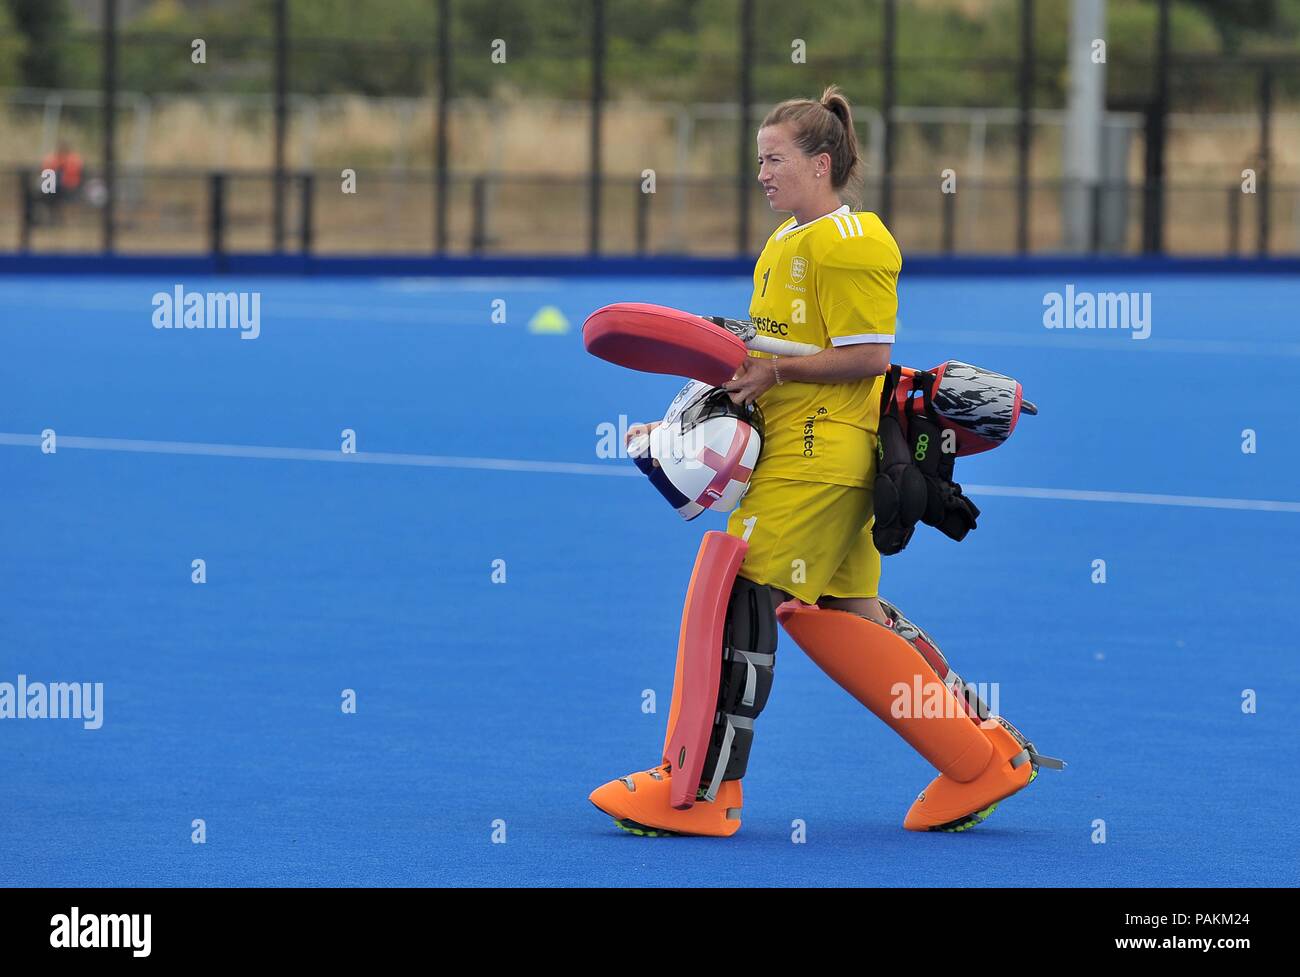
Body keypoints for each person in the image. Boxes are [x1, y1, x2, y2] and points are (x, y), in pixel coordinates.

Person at [589, 85, 1055, 837]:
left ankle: (699, 789)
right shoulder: (783, 242)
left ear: (821, 162)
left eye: (775, 159)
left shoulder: (855, 241)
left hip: (821, 458)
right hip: (801, 450)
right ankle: (980, 760)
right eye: (760, 160)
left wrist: (775, 375)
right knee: (846, 613)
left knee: (733, 585)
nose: (763, 172)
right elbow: (782, 344)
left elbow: (870, 354)